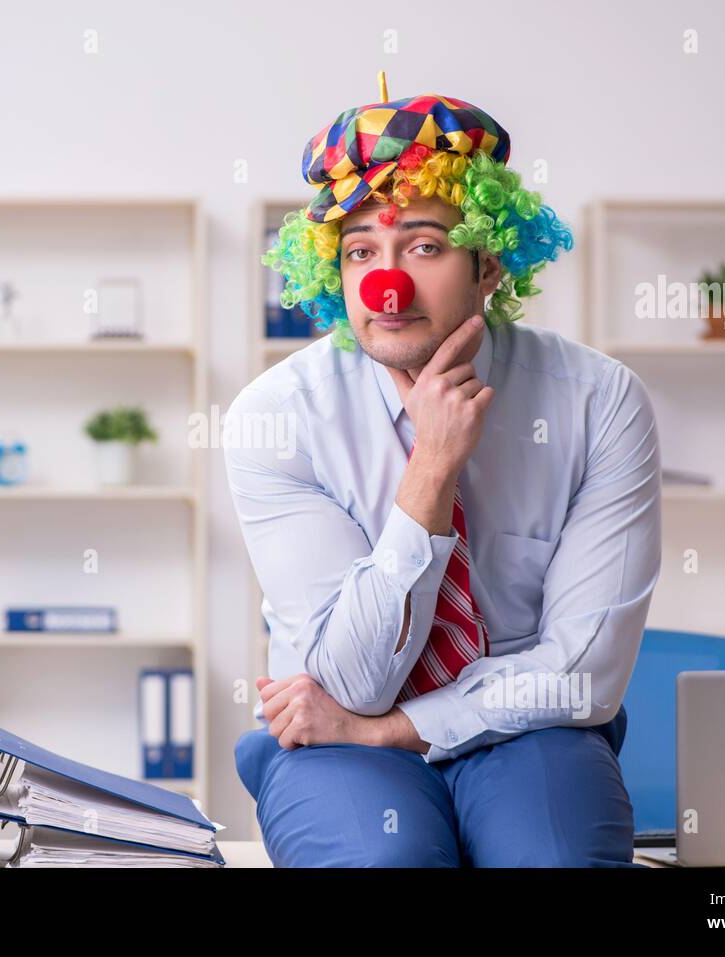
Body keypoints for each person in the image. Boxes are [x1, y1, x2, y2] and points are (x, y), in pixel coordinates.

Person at [224, 73, 661, 867]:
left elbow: (584, 674)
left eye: (423, 246)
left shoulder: (601, 401)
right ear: (334, 271)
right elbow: (351, 680)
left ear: (489, 265)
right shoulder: (274, 415)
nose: (387, 284)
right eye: (361, 252)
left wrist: (390, 727)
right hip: (332, 741)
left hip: (529, 733)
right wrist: (432, 464)